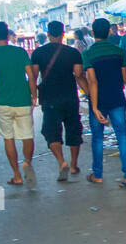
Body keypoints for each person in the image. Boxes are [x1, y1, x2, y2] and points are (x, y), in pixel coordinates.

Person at [0, 22, 39, 187]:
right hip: (22, 100)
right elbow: (30, 76)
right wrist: (34, 95)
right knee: (27, 135)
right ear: (8, 35)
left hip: (2, 102)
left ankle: (17, 175)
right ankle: (27, 163)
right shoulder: (20, 52)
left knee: (8, 138)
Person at [30, 21, 87, 182]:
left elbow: (33, 77)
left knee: (51, 131)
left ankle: (62, 162)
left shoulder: (38, 53)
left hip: (49, 98)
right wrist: (90, 93)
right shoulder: (73, 53)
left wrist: (33, 95)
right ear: (63, 34)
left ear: (48, 34)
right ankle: (74, 164)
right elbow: (78, 75)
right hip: (70, 97)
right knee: (74, 131)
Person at [82, 17, 126, 187]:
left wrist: (95, 107)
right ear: (108, 32)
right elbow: (125, 79)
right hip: (117, 99)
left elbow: (92, 82)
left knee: (98, 138)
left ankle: (97, 175)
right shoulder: (118, 51)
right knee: (122, 136)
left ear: (93, 33)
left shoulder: (88, 54)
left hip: (98, 101)